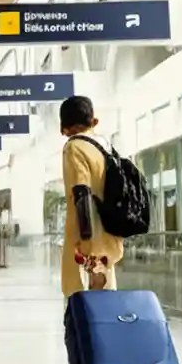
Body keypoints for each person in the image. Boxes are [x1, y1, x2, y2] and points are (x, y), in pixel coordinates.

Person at [59, 95, 124, 297]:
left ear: (65, 128)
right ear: (93, 121)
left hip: (86, 237)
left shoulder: (74, 147)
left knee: (81, 296)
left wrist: (85, 238)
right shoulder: (106, 146)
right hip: (110, 234)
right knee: (106, 295)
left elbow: (82, 191)